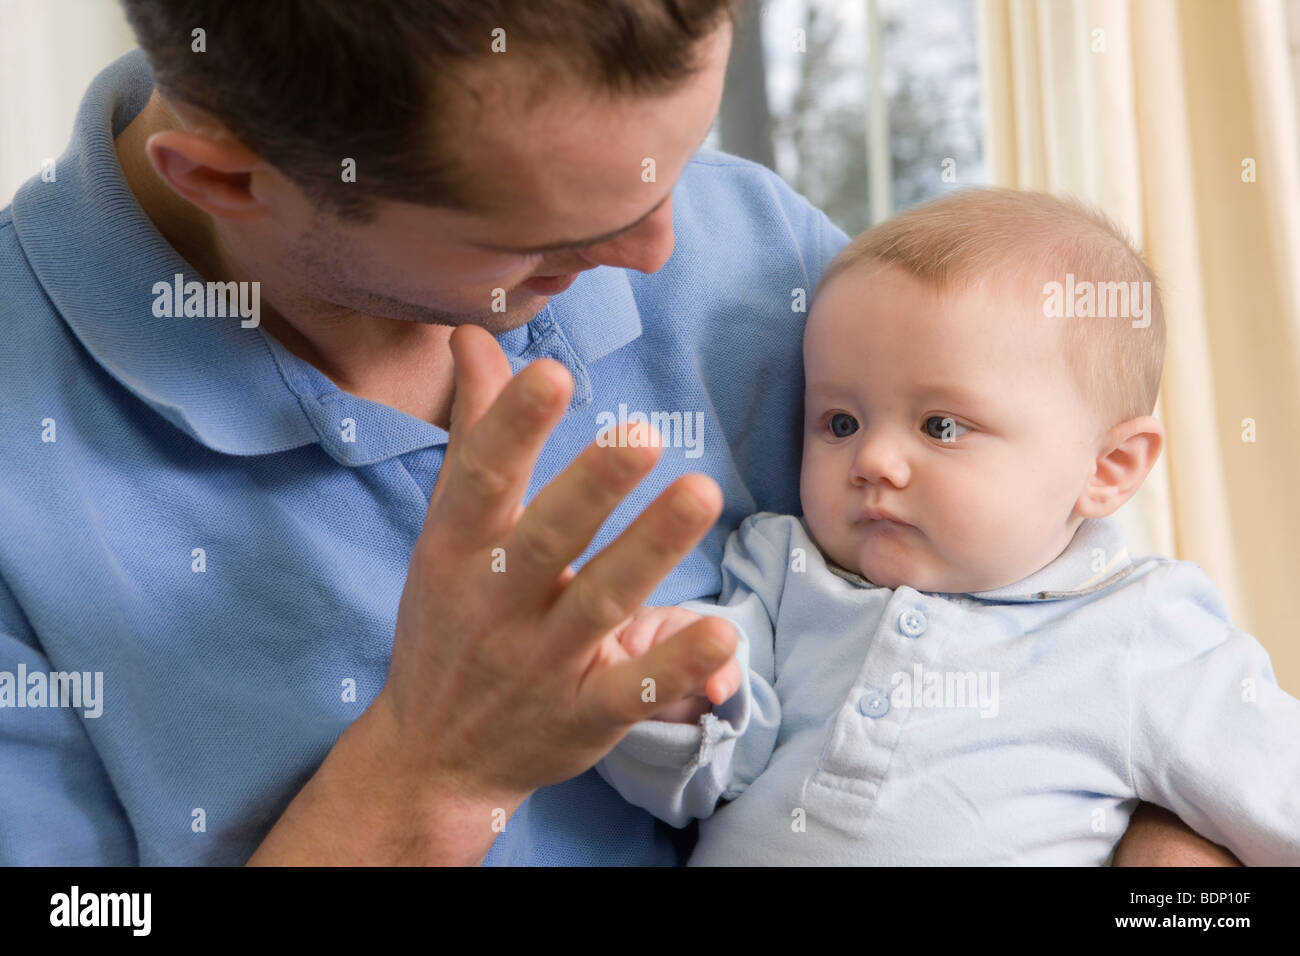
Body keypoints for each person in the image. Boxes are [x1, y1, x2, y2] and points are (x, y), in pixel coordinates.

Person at [0, 0, 1233, 865]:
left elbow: (1079, 639)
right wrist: (436, 772)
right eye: (541, 237)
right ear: (228, 181)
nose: (658, 250)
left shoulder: (763, 257)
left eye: (675, 165)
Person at [596, 189, 1297, 864]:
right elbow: (705, 779)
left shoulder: (1145, 628)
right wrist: (678, 700)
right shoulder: (782, 568)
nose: (872, 459)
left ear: (1108, 467)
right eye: (840, 422)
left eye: (942, 426)